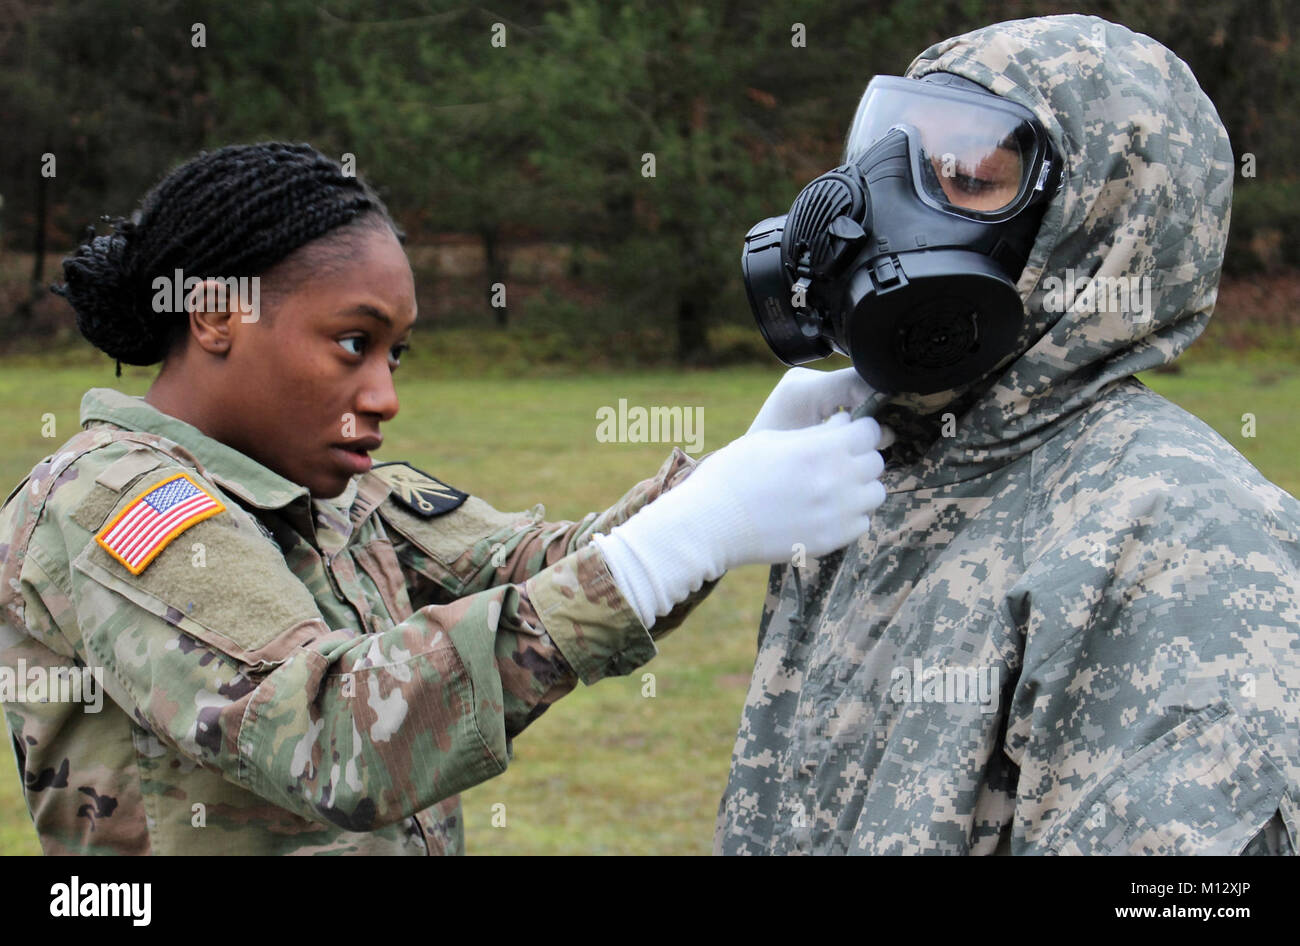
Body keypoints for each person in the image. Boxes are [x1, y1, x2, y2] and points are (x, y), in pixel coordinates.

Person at [0, 142, 892, 855]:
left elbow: (540, 567)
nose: (385, 394)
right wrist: (697, 531)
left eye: (397, 354)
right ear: (215, 317)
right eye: (354, 342)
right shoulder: (112, 505)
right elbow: (334, 738)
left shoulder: (335, 492)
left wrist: (729, 477)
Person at [716, 14, 1300, 855]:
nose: (873, 206)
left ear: (1099, 229)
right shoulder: (871, 475)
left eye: (970, 172)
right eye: (893, 150)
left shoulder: (1176, 540)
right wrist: (692, 516)